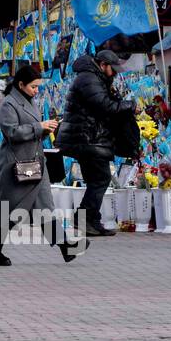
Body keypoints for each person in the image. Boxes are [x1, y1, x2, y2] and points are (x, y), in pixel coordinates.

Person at [0, 63, 79, 266]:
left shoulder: (28, 101)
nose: (36, 91)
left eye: (37, 87)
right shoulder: (8, 104)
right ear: (21, 84)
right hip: (16, 165)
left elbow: (31, 130)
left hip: (35, 162)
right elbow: (12, 132)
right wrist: (39, 127)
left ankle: (65, 246)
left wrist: (46, 129)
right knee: (9, 209)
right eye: (33, 87)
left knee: (46, 206)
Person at [55, 49, 133, 237]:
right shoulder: (89, 79)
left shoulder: (94, 78)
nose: (114, 73)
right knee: (101, 178)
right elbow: (104, 105)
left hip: (89, 137)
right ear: (102, 65)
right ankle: (84, 219)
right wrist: (129, 105)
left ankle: (90, 221)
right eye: (112, 69)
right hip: (87, 138)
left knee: (95, 179)